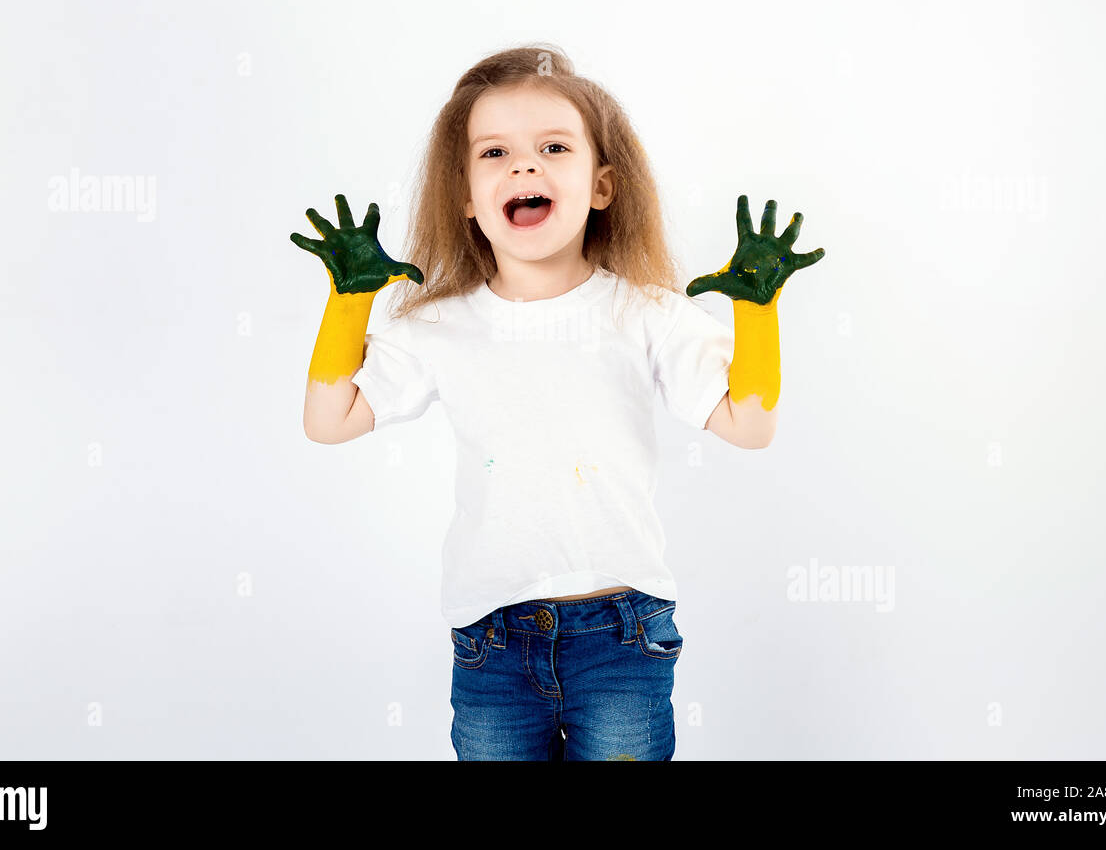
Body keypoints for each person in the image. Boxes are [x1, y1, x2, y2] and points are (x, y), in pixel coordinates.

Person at [289, 44, 825, 760]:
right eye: (494, 153)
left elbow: (749, 425)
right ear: (464, 196)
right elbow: (329, 421)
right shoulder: (438, 326)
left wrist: (758, 314)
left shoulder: (647, 313)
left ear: (602, 185)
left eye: (552, 147)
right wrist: (349, 303)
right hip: (492, 642)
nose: (523, 166)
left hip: (623, 635)